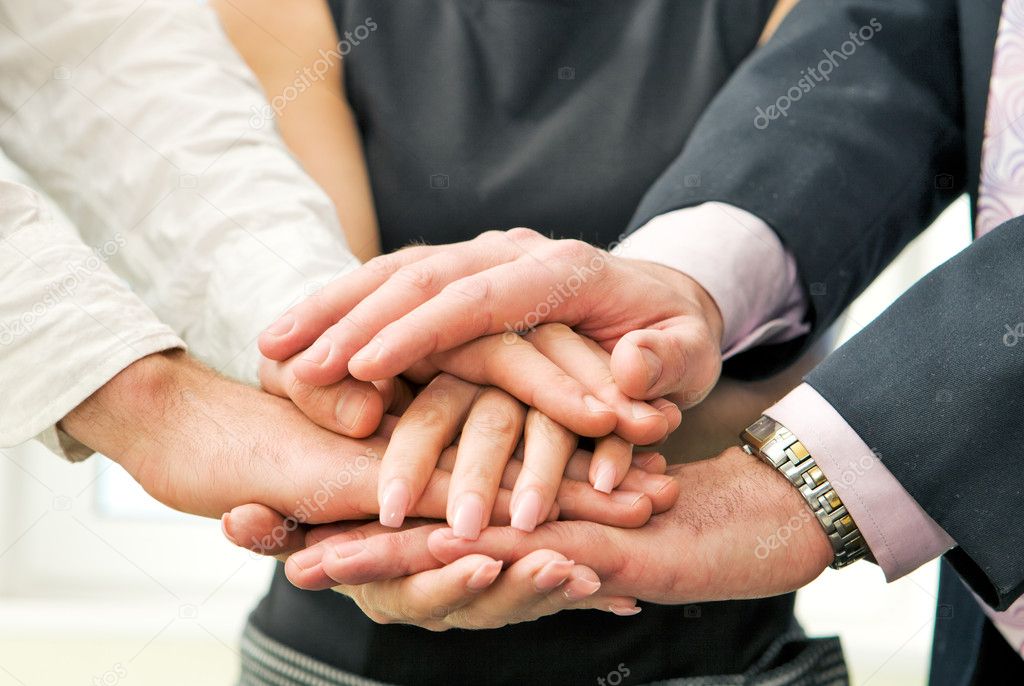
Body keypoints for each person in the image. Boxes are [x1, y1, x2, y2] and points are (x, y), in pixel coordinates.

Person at [270, 0, 1024, 684]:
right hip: (343, 645)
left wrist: (538, 392)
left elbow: (772, 366)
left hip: (710, 645)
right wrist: (674, 291)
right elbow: (319, 346)